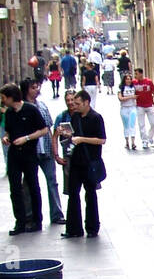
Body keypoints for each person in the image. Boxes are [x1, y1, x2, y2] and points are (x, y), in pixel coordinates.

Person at [0, 83, 48, 235]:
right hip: (14, 153)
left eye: (3, 98)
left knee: (33, 186)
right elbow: (7, 131)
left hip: (29, 153)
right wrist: (6, 138)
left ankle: (36, 220)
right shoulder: (9, 113)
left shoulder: (31, 110)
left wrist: (26, 138)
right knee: (15, 188)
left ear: (10, 97)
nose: (2, 101)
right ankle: (20, 222)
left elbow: (44, 129)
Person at [60, 90, 107, 238]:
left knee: (90, 194)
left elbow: (101, 140)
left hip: (90, 161)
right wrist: (67, 135)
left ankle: (92, 227)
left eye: (78, 103)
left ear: (87, 102)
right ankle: (74, 228)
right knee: (73, 194)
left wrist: (82, 139)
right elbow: (72, 136)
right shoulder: (75, 117)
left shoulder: (96, 118)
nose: (75, 106)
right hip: (76, 161)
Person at [24, 77, 66, 226]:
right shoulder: (22, 109)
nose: (37, 90)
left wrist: (54, 151)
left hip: (46, 149)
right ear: (27, 90)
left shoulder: (42, 106)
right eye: (34, 87)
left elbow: (49, 128)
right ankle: (30, 215)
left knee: (52, 182)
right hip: (31, 151)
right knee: (29, 184)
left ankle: (57, 214)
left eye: (37, 87)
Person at [53, 88, 78, 195]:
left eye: (72, 100)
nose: (70, 102)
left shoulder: (82, 115)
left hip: (83, 153)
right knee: (70, 188)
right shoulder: (61, 117)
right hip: (68, 154)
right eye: (68, 100)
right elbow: (54, 137)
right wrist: (56, 156)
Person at [133, 68, 154, 148]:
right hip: (139, 106)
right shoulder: (134, 83)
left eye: (136, 74)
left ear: (141, 74)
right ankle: (144, 140)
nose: (135, 75)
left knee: (153, 123)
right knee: (141, 124)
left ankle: (149, 137)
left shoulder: (149, 82)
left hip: (150, 105)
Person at [117, 71, 139, 150]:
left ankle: (133, 142)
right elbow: (120, 98)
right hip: (124, 108)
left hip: (132, 108)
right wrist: (131, 97)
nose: (129, 81)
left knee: (132, 125)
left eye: (130, 79)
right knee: (126, 126)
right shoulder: (121, 89)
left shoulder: (133, 87)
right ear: (124, 80)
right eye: (127, 79)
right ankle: (127, 142)